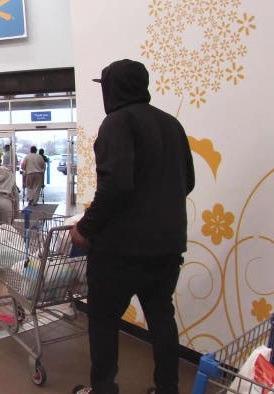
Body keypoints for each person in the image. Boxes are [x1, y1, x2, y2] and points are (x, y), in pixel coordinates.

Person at [70, 59, 195, 394]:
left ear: (113, 88)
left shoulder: (116, 124)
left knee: (104, 322)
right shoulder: (172, 125)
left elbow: (116, 186)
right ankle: (167, 389)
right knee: (162, 321)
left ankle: (104, 389)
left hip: (119, 252)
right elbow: (189, 181)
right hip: (168, 247)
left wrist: (86, 227)